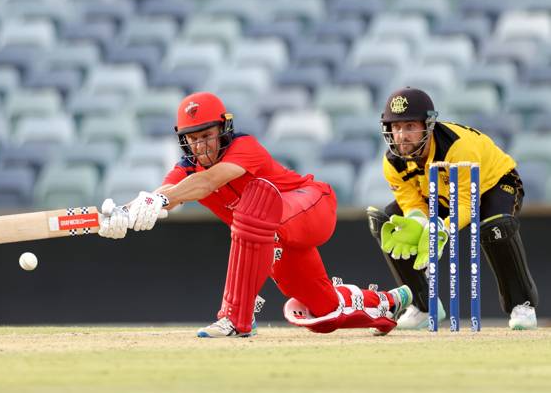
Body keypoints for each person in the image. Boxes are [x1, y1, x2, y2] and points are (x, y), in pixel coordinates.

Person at [98, 91, 412, 337]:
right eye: (193, 139)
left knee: (254, 210)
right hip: (272, 236)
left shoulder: (244, 147)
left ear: (223, 128)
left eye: (206, 134)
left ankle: (235, 317)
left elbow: (208, 181)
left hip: (311, 205)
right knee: (323, 313)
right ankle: (387, 302)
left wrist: (161, 200)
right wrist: (128, 212)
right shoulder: (185, 170)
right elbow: (165, 196)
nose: (201, 145)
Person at [367, 86, 539, 330]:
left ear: (428, 125)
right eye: (395, 127)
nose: (402, 135)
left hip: (493, 183)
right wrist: (418, 223)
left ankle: (522, 306)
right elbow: (411, 203)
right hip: (442, 194)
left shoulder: (457, 148)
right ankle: (424, 306)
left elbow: (468, 203)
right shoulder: (392, 162)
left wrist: (441, 228)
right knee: (390, 221)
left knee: (495, 226)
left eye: (410, 126)